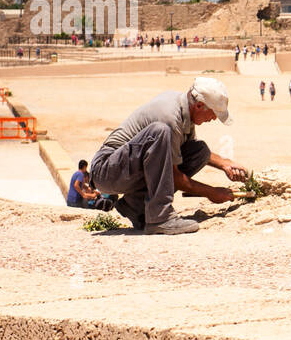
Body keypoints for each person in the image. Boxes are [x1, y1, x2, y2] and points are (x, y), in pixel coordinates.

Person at [89, 76, 248, 235]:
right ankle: (160, 218)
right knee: (160, 131)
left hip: (124, 168)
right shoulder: (169, 118)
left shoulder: (183, 106)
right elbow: (174, 176)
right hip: (106, 170)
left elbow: (183, 152)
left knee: (200, 152)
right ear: (199, 105)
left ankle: (135, 206)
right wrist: (211, 193)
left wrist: (225, 164)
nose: (214, 119)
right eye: (214, 114)